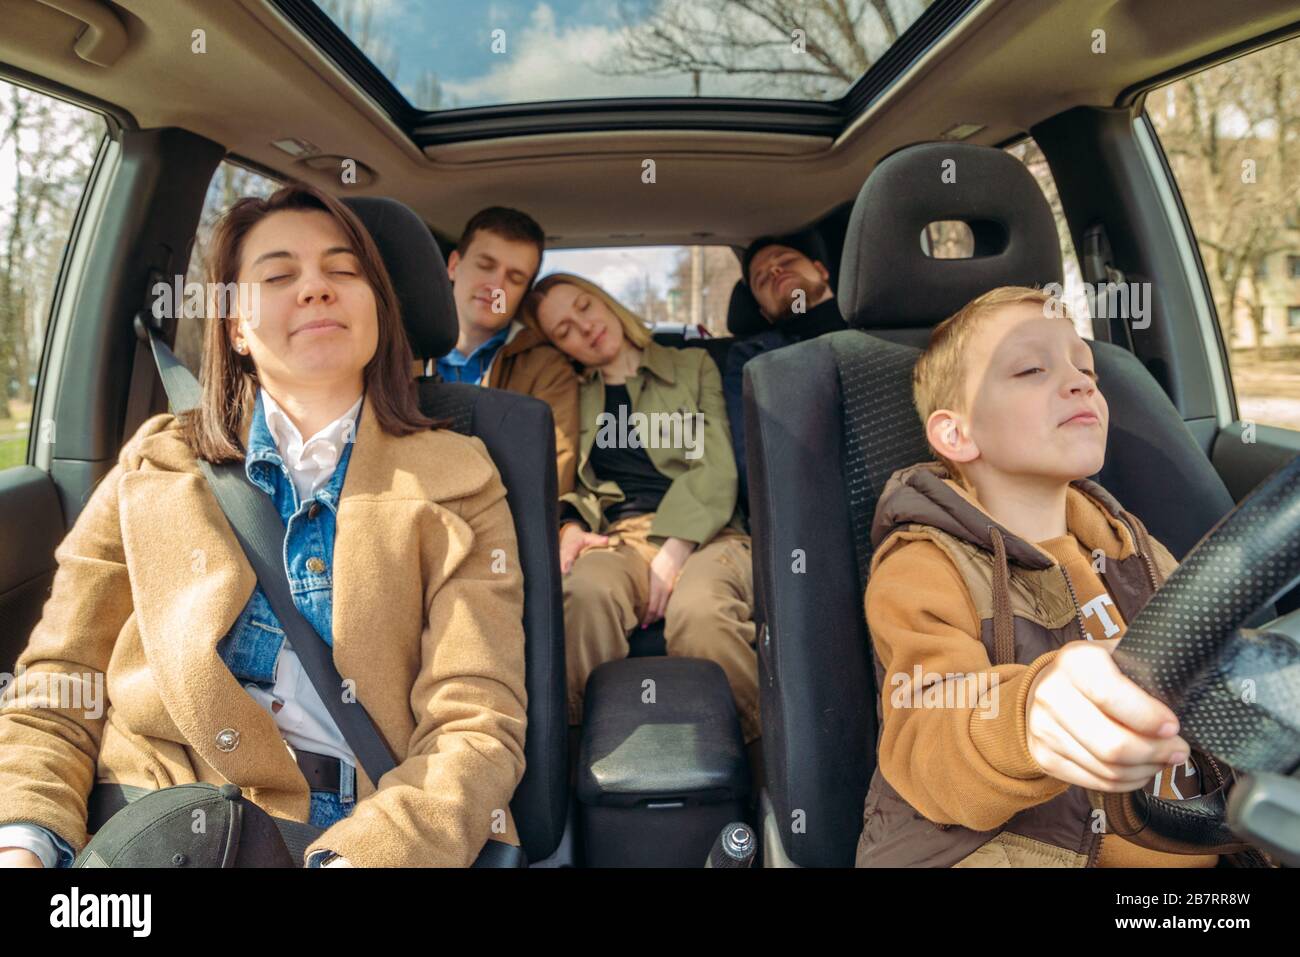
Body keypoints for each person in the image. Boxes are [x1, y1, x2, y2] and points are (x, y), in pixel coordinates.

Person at [0, 184, 527, 868]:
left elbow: (476, 721)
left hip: (354, 829)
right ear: (235, 327)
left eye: (344, 271)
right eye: (278, 276)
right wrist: (25, 837)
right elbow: (59, 681)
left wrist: (372, 854)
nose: (314, 288)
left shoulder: (460, 476)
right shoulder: (155, 463)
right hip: (142, 817)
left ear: (377, 309)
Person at [855, 285, 1224, 867]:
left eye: (1088, 370)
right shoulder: (924, 564)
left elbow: (1217, 649)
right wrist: (1027, 725)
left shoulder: (1132, 544)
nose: (1082, 383)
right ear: (957, 434)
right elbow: (923, 736)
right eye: (1030, 369)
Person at [524, 273, 759, 746]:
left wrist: (674, 552)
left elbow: (716, 467)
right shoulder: (574, 392)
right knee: (584, 595)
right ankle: (578, 762)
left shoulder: (693, 365)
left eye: (585, 307)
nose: (584, 328)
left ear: (608, 302)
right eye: (565, 330)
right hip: (620, 536)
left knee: (702, 615)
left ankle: (760, 761)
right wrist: (568, 525)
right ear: (561, 348)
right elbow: (569, 479)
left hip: (710, 533)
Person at [438, 206, 579, 496]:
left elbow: (550, 475)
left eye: (515, 278)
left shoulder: (546, 368)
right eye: (485, 265)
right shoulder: (397, 351)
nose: (496, 286)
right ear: (453, 265)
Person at [722, 232, 846, 501]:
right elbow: (754, 460)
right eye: (762, 278)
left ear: (821, 270)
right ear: (763, 312)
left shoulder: (880, 325)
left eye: (787, 261)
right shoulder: (751, 360)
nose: (776, 270)